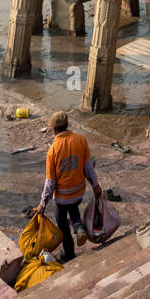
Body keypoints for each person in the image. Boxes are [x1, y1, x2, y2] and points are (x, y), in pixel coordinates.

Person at [36, 111, 101, 263]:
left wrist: (42, 204)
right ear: (67, 125)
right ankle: (79, 228)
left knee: (62, 223)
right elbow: (88, 168)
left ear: (54, 130)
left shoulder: (53, 150)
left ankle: (69, 253)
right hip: (79, 192)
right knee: (73, 209)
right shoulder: (81, 140)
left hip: (62, 197)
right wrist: (96, 186)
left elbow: (50, 183)